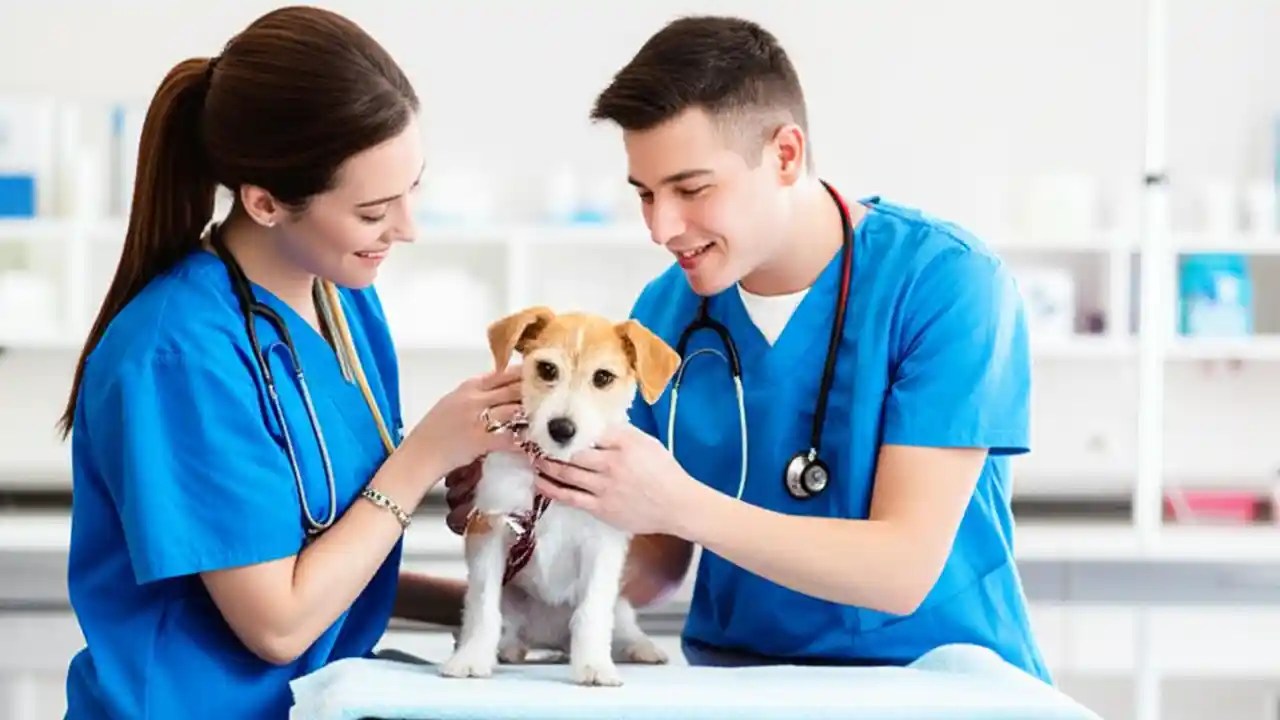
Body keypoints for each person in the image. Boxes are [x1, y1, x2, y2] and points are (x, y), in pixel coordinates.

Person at [446, 15, 1051, 684]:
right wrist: (533, 523)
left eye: (691, 189)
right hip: (743, 679)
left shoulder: (946, 283)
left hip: (934, 680)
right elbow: (654, 565)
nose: (661, 227)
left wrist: (678, 502)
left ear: (785, 155)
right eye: (645, 194)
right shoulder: (665, 314)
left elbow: (902, 570)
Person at [58, 7, 525, 719]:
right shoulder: (176, 356)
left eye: (413, 189)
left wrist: (494, 607)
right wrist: (425, 455)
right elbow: (276, 621)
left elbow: (313, 548)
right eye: (374, 211)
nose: (407, 228)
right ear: (266, 201)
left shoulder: (341, 301)